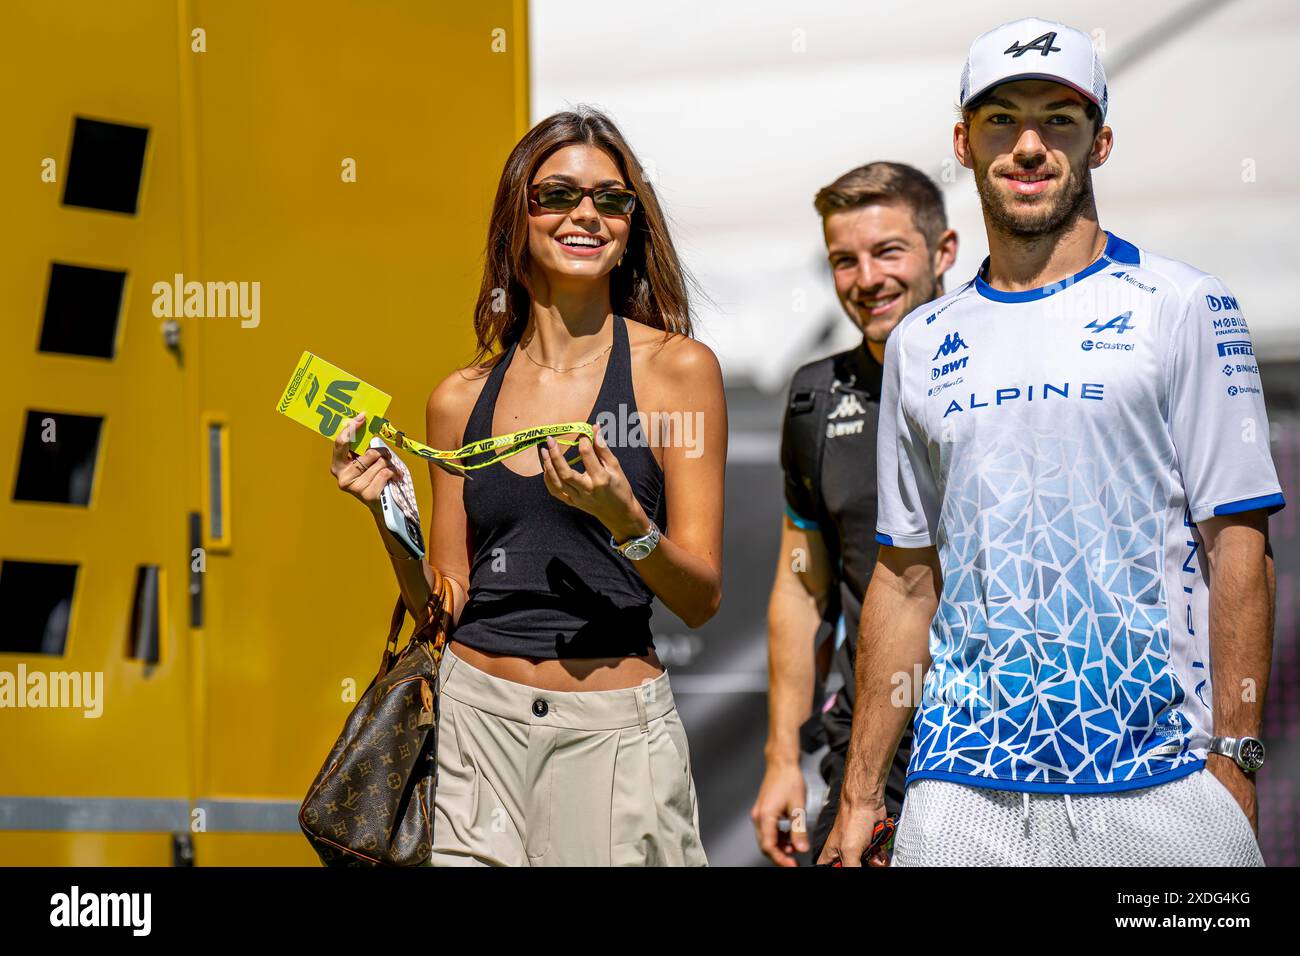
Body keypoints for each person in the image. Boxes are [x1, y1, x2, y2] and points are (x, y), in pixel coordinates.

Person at [820, 17, 1284, 867]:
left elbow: (1239, 548)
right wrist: (860, 796)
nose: (1028, 146)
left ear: (1100, 142)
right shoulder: (921, 341)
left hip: (1164, 781)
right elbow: (905, 577)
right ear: (963, 143)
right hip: (961, 793)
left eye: (1058, 121)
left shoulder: (1184, 304)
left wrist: (1236, 758)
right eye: (1001, 120)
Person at [331, 106, 725, 866]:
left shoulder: (679, 371)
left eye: (611, 199)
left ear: (632, 225)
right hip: (473, 731)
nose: (587, 214)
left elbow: (701, 598)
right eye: (558, 195)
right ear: (519, 214)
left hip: (611, 738)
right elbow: (444, 601)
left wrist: (626, 521)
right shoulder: (458, 398)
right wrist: (389, 514)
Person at [752, 163, 956, 866]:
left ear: (944, 251)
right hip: (871, 749)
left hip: (1005, 734)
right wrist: (783, 758)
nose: (866, 279)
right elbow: (800, 586)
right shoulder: (816, 397)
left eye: (888, 251)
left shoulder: (1006, 373)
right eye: (845, 260)